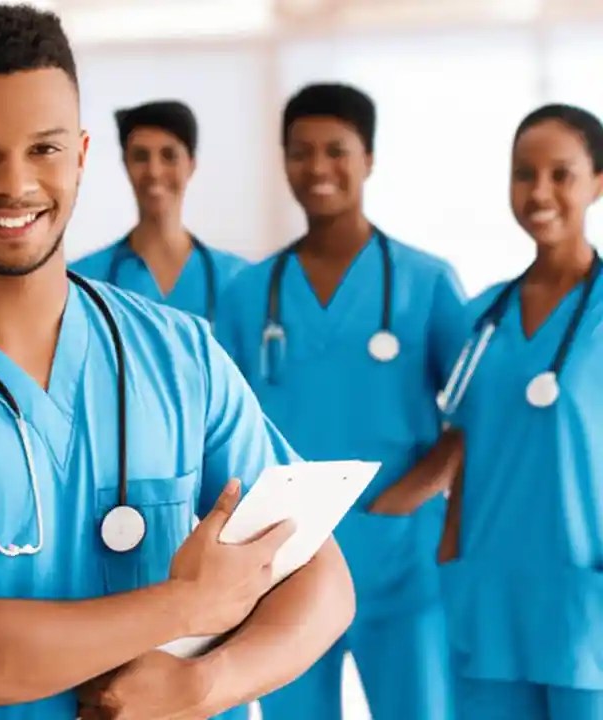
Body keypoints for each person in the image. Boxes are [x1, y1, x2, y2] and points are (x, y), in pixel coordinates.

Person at [0, 6, 356, 718]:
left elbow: (322, 575)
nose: (13, 184)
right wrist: (183, 605)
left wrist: (205, 685)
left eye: (44, 149)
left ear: (81, 155)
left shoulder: (179, 356)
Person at [214, 83, 466, 720]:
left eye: (337, 150)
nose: (318, 168)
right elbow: (220, 422)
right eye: (301, 152)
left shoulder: (426, 282)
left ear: (369, 159)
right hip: (289, 561)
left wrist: (409, 494)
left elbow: (472, 415)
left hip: (401, 560)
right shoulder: (249, 293)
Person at [436, 104, 603, 720]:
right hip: (489, 594)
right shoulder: (481, 318)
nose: (539, 192)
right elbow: (463, 442)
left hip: (583, 594)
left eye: (561, 174)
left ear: (597, 182)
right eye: (523, 173)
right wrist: (450, 551)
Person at [72, 100, 247, 327]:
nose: (154, 171)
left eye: (169, 155)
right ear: (125, 164)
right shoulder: (83, 280)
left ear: (191, 164)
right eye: (141, 157)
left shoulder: (238, 279)